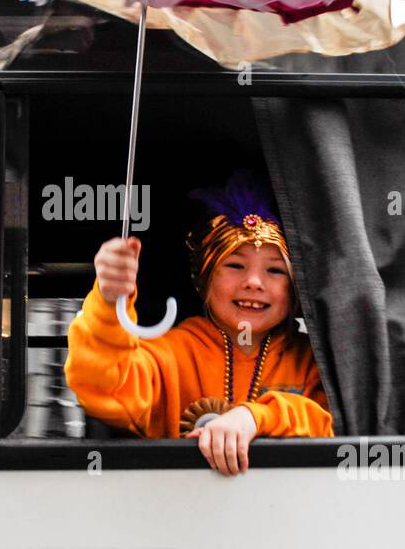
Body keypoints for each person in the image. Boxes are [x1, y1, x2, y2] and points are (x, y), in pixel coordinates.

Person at [64, 170, 334, 476]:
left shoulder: (315, 361)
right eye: (235, 265)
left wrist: (254, 418)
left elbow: (331, 422)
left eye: (275, 271)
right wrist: (109, 300)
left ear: (294, 289)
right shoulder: (173, 352)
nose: (254, 282)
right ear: (205, 279)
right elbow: (105, 386)